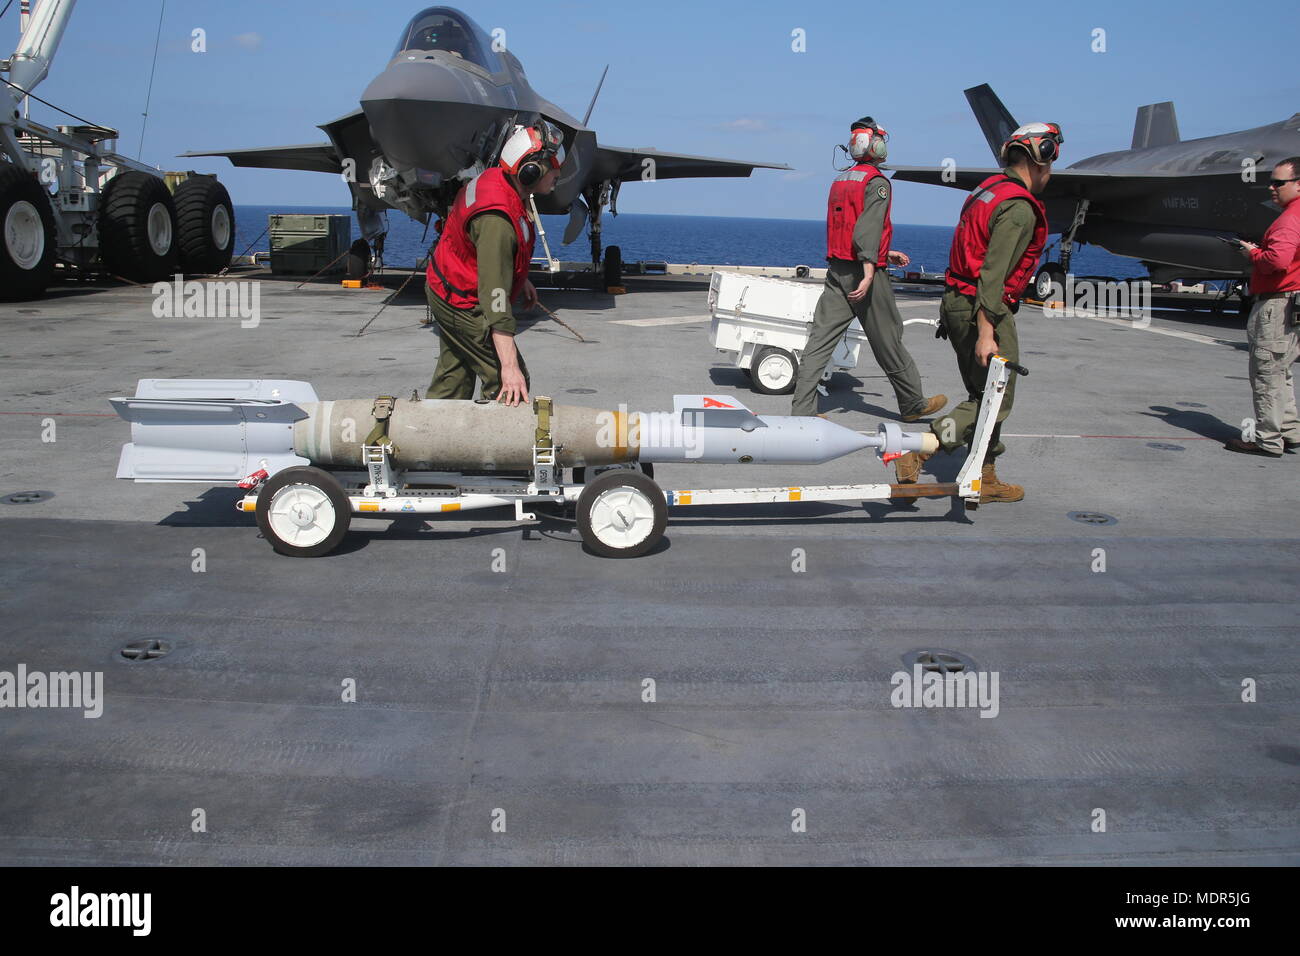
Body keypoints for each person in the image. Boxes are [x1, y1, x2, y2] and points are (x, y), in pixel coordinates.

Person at [894, 122, 1061, 501]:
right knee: (996, 397)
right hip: (983, 309)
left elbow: (965, 252)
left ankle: (985, 476)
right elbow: (993, 275)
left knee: (983, 393)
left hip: (957, 302)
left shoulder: (986, 191)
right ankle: (929, 444)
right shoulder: (1019, 209)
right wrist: (987, 331)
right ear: (1041, 159)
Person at [791, 117, 946, 448]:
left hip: (838, 269)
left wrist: (885, 253)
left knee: (820, 340)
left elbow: (849, 227)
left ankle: (802, 411)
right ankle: (913, 404)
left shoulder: (842, 179)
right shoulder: (877, 182)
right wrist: (871, 269)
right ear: (874, 146)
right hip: (864, 274)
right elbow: (865, 231)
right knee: (888, 339)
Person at [425, 120, 565, 407]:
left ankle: (432, 440)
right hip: (462, 301)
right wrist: (510, 367)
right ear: (529, 172)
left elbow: (487, 253)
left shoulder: (498, 181)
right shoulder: (496, 220)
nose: (558, 171)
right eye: (552, 164)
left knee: (453, 382)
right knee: (510, 385)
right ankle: (494, 444)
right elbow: (495, 302)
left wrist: (517, 276)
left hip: (446, 286)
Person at [1224, 157, 1300, 458]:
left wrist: (1254, 254)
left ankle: (1267, 440)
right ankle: (1290, 431)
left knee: (1266, 371)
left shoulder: (1289, 219)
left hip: (1276, 305)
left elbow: (1277, 261)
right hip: (1293, 301)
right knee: (1282, 371)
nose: (1272, 188)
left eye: (1279, 183)